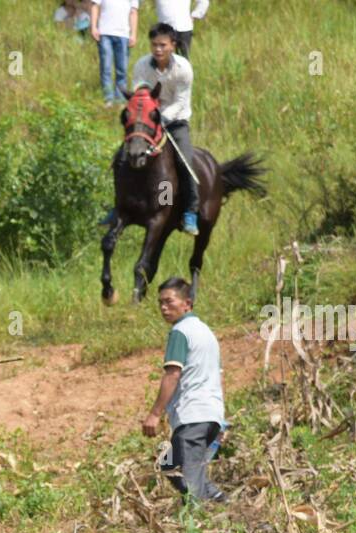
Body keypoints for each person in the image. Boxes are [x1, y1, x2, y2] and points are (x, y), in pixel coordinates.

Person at [142, 276, 225, 503]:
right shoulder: (206, 332)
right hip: (210, 416)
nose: (163, 307)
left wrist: (155, 413)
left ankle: (196, 525)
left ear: (187, 303)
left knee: (190, 484)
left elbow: (173, 374)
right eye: (160, 303)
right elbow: (218, 376)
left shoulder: (181, 331)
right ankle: (218, 499)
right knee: (167, 463)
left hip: (193, 417)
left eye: (169, 301)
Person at [133, 22, 199, 234]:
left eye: (162, 45)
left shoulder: (183, 69)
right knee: (127, 152)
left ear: (173, 45)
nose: (158, 49)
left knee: (184, 162)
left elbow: (181, 102)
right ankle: (120, 204)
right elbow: (140, 95)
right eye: (154, 45)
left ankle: (190, 211)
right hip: (149, 121)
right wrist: (150, 118)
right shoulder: (142, 65)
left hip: (176, 121)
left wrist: (161, 117)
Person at [91, 1, 140, 106]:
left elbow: (133, 12)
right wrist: (94, 27)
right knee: (106, 67)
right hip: (104, 32)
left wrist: (133, 34)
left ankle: (120, 99)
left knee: (122, 69)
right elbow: (95, 6)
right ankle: (108, 98)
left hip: (123, 34)